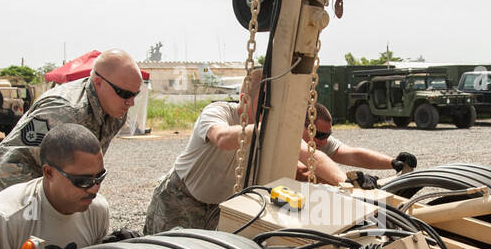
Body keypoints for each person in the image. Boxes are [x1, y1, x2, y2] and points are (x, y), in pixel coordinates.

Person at [142, 69, 344, 234]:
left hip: (219, 208)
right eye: (265, 100)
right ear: (244, 99)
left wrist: (345, 182)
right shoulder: (218, 112)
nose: (270, 107)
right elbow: (222, 138)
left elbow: (312, 156)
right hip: (178, 199)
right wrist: (268, 128)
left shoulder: (269, 128)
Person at [0, 49, 142, 216]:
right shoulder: (64, 112)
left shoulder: (115, 112)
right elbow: (9, 165)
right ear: (98, 82)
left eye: (136, 94)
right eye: (124, 94)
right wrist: (39, 215)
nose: (131, 102)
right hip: (0, 202)